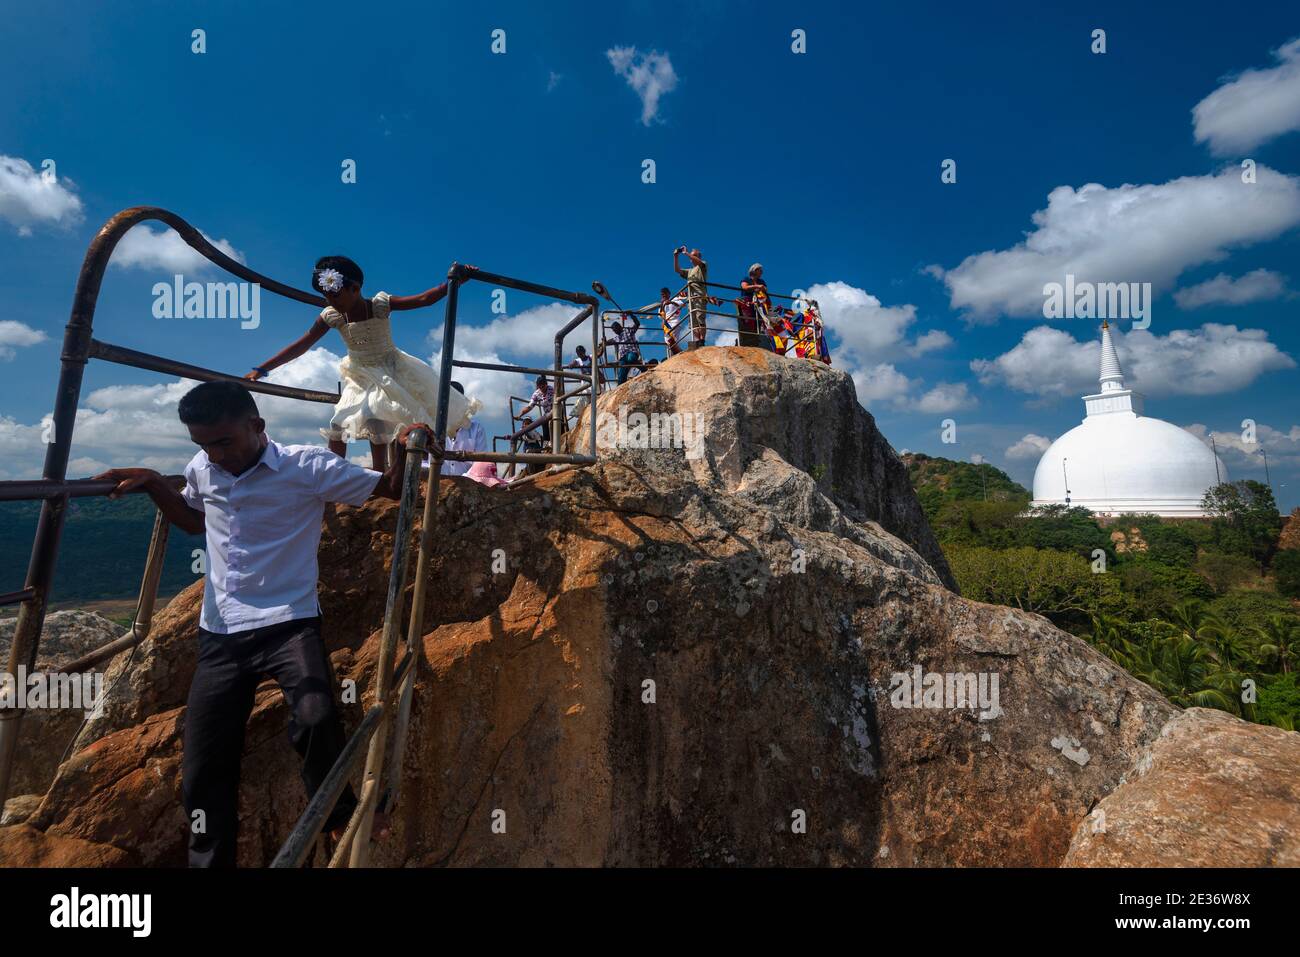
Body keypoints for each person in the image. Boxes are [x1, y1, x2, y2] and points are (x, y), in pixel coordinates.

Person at [92, 380, 439, 867]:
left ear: (257, 426)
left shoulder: (306, 466)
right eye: (202, 445)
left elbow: (389, 490)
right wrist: (153, 482)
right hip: (220, 631)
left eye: (222, 442)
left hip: (288, 622)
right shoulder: (203, 468)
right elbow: (194, 520)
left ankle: (337, 812)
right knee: (204, 762)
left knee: (317, 714)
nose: (212, 455)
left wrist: (406, 446)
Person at [245, 256, 478, 471]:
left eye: (334, 295)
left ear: (355, 289)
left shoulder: (378, 306)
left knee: (376, 418)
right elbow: (301, 345)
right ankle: (334, 473)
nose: (330, 301)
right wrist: (262, 368)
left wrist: (455, 282)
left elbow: (424, 300)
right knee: (338, 425)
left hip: (389, 368)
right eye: (326, 296)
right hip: (358, 373)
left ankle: (380, 473)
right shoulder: (331, 316)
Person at [440, 382, 487, 477]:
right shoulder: (434, 426)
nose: (452, 405)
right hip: (436, 483)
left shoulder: (476, 428)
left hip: (468, 485)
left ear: (462, 402)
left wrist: (463, 480)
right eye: (449, 401)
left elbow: (480, 463)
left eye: (455, 401)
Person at [673, 246, 711, 350]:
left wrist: (686, 253)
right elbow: (677, 270)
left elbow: (699, 262)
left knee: (700, 318)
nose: (691, 257)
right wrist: (676, 256)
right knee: (692, 320)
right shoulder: (690, 271)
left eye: (694, 255)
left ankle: (702, 340)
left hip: (699, 295)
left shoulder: (703, 265)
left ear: (699, 257)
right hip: (691, 298)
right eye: (692, 256)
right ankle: (697, 340)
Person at [736, 263, 774, 352]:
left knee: (762, 320)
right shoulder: (746, 279)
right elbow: (744, 287)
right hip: (748, 302)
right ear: (754, 270)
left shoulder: (762, 281)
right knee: (749, 321)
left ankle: (760, 339)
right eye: (760, 270)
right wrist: (756, 286)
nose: (761, 272)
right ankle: (751, 340)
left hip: (760, 303)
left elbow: (765, 290)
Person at [516, 375, 555, 446]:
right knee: (544, 423)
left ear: (546, 384)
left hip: (556, 411)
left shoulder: (552, 390)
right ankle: (547, 443)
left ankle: (562, 436)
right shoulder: (536, 393)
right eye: (540, 387)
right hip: (547, 413)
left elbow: (558, 398)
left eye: (543, 386)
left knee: (557, 423)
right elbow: (530, 406)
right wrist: (520, 415)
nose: (541, 388)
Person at [605, 315, 641, 385]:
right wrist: (604, 342)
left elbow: (637, 324)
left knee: (631, 359)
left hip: (631, 353)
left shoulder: (628, 331)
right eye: (613, 330)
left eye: (615, 329)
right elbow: (610, 341)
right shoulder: (617, 337)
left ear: (619, 327)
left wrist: (632, 315)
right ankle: (620, 386)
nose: (615, 331)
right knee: (621, 377)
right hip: (623, 358)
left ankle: (642, 368)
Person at [657, 287, 688, 356]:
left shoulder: (675, 299)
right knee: (667, 342)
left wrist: (671, 302)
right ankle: (673, 356)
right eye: (662, 294)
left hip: (674, 322)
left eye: (665, 294)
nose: (663, 296)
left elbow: (682, 305)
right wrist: (662, 305)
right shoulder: (662, 303)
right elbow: (660, 316)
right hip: (666, 325)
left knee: (673, 341)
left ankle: (678, 355)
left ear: (668, 294)